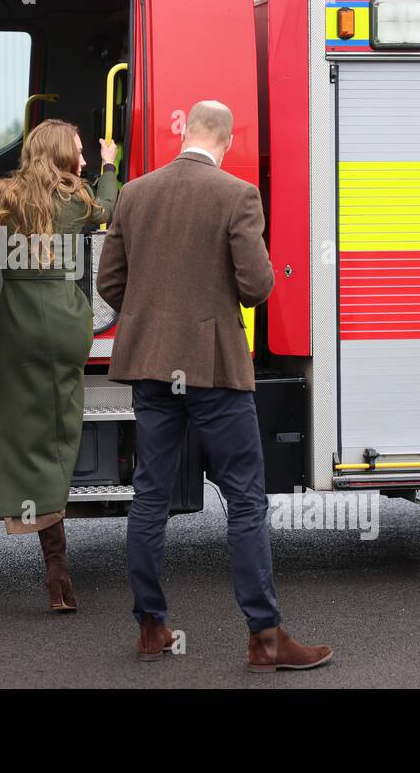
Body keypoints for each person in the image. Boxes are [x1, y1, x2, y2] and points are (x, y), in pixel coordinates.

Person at [96, 100, 333, 671]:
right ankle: (265, 638)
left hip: (151, 367)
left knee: (150, 495)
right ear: (225, 140)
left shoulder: (134, 193)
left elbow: (108, 282)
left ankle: (151, 628)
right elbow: (256, 287)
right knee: (245, 499)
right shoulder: (237, 195)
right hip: (215, 370)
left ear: (185, 135)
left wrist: (155, 318)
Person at [0, 118, 118, 612]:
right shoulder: (77, 197)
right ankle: (58, 568)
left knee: (22, 432)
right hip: (69, 324)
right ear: (64, 156)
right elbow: (110, 207)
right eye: (80, 152)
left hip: (20, 324)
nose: (86, 160)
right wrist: (111, 166)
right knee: (61, 430)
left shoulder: (3, 195)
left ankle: (55, 568)